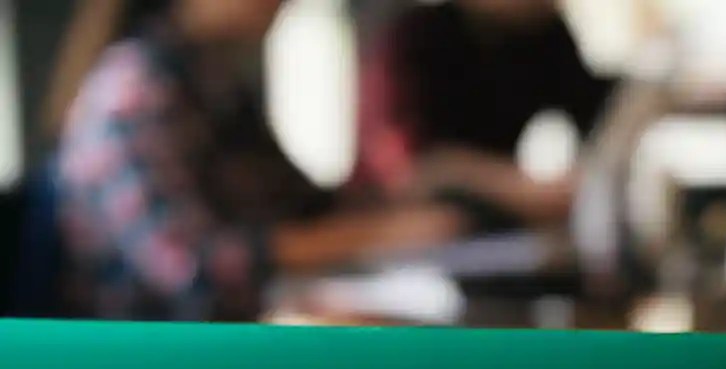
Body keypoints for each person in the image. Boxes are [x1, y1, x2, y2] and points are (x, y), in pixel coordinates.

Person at [55, 0, 463, 322]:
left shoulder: (212, 81)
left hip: (231, 342)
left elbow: (297, 201)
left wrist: (402, 205)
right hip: (150, 364)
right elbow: (193, 268)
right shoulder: (137, 89)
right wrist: (370, 235)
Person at [357, 0, 613, 231]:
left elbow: (600, 118)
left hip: (496, 233)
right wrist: (527, 192)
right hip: (384, 233)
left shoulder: (544, 35)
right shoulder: (417, 38)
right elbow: (407, 173)